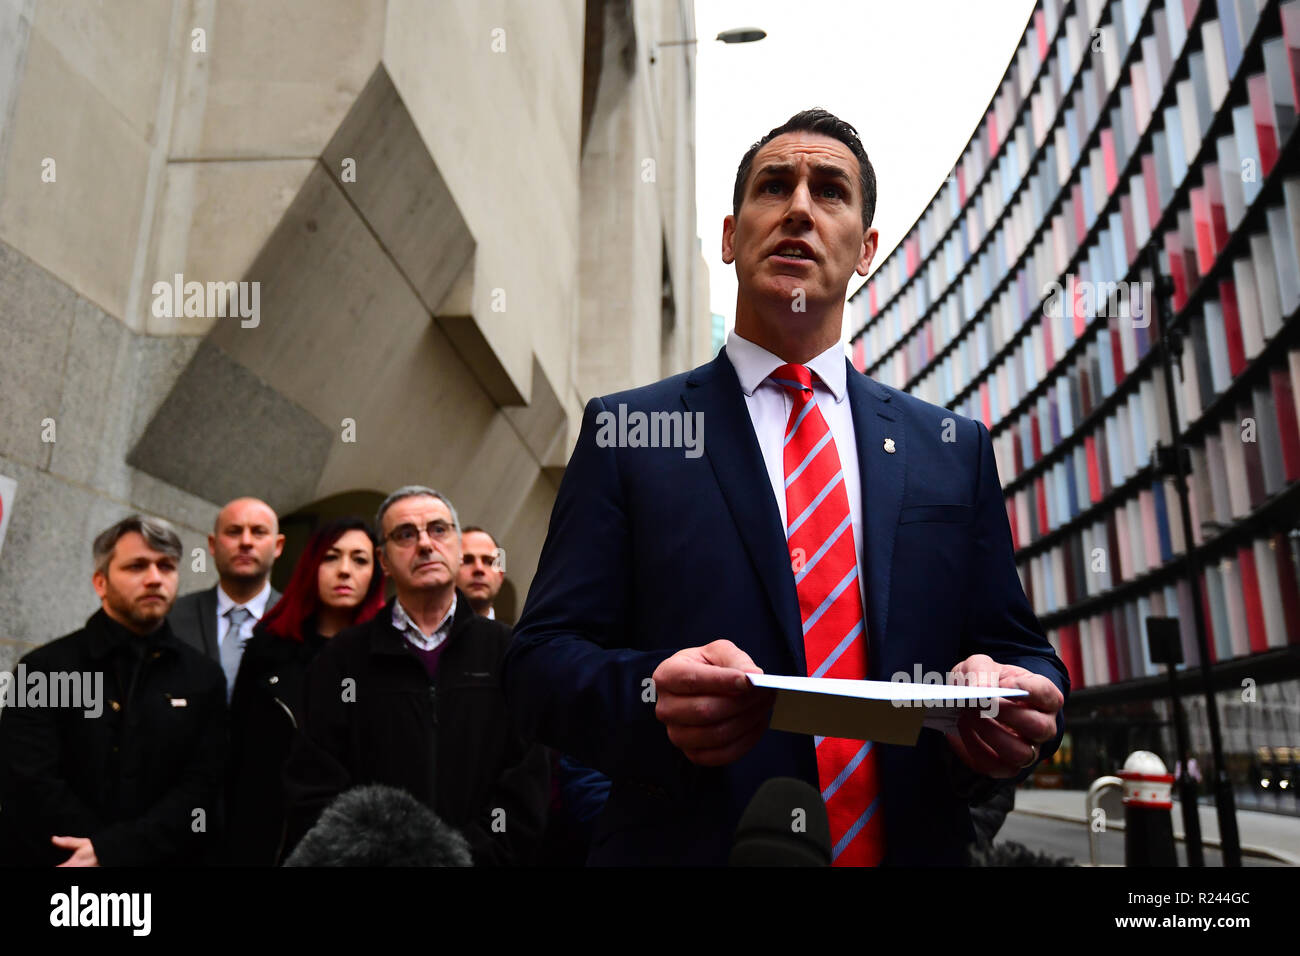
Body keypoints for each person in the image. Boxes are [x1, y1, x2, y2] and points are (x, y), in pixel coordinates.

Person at [504, 108, 1069, 866]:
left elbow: (1020, 651)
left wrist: (1014, 695)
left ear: (866, 249)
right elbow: (539, 663)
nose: (800, 207)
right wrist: (649, 692)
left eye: (830, 191)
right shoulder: (627, 432)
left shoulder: (951, 450)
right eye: (776, 186)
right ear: (733, 236)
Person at [282, 486, 549, 865]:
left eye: (439, 530)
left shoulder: (510, 653)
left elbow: (527, 782)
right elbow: (316, 781)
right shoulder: (341, 659)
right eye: (405, 534)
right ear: (384, 561)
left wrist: (466, 859)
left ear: (457, 546)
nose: (425, 544)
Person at [0, 516, 226, 866]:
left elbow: (200, 789)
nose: (154, 578)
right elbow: (26, 778)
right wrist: (94, 850)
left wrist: (115, 851)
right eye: (137, 566)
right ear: (101, 582)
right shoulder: (45, 668)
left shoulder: (202, 679)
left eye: (166, 566)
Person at [225, 517, 387, 865]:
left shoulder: (386, 664)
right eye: (331, 557)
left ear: (375, 575)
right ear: (312, 566)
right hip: (259, 843)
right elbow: (232, 754)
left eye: (359, 560)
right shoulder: (267, 651)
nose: (344, 570)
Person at [169, 497, 284, 702]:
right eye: (234, 531)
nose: (246, 542)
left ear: (278, 545)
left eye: (258, 532)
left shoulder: (296, 621)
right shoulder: (174, 616)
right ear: (212, 545)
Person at [457, 526, 506, 619]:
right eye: (467, 561)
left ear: (500, 575)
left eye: (489, 562)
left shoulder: (513, 634)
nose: (479, 569)